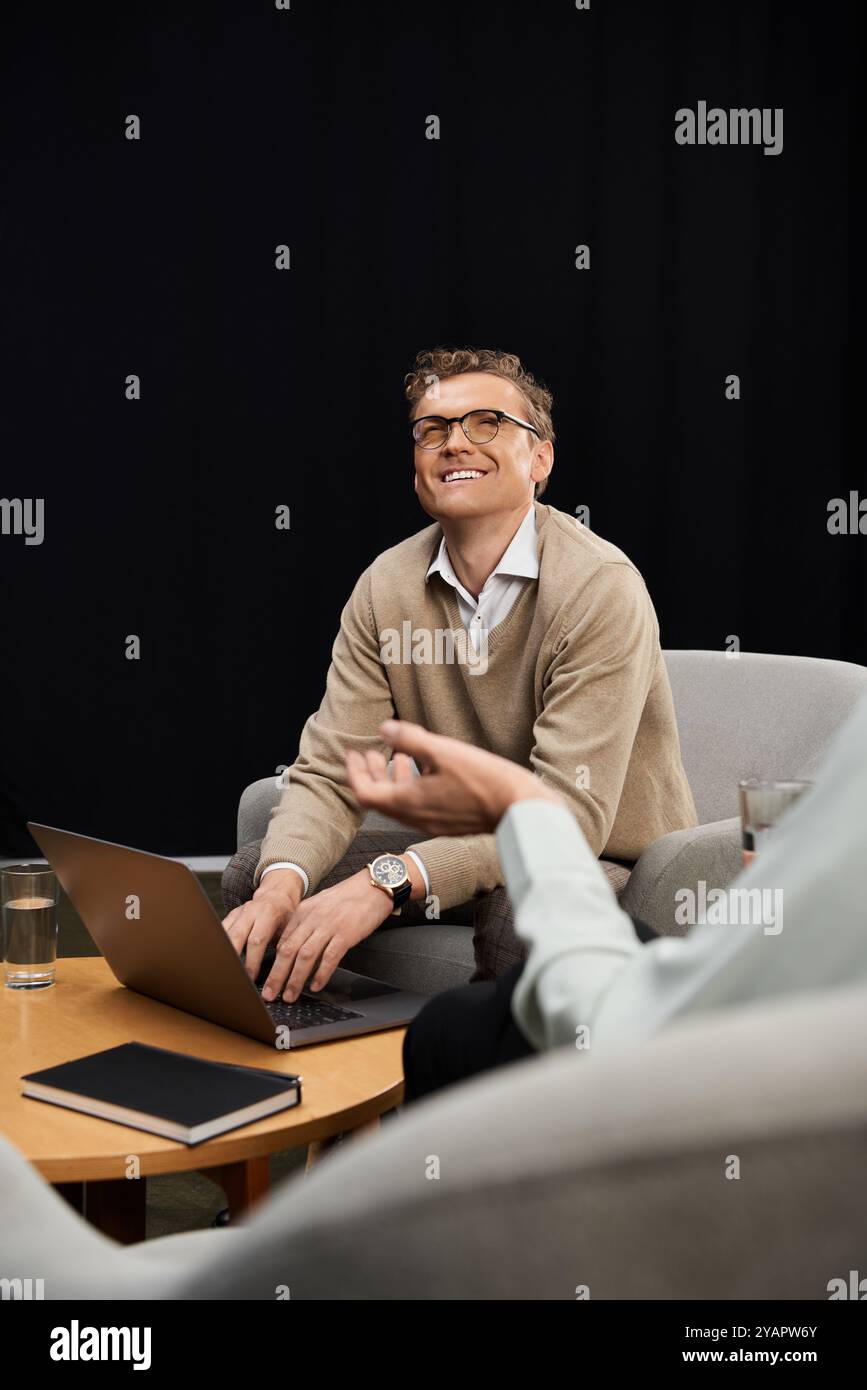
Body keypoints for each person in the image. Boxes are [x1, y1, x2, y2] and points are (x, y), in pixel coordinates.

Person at [221, 345, 696, 1003]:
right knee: (257, 876)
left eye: (485, 423)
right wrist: (284, 885)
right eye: (433, 430)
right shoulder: (385, 585)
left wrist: (386, 880)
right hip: (463, 848)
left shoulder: (597, 586)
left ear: (540, 458)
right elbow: (331, 771)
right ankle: (324, 1079)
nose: (453, 444)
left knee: (520, 920)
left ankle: (475, 1100)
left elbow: (563, 816)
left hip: (600, 856)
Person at [345, 701, 867, 1102]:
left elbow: (615, 1026)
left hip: (613, 876)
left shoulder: (598, 583)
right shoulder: (386, 586)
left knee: (455, 1021)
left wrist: (518, 807)